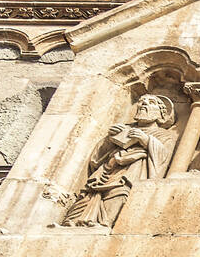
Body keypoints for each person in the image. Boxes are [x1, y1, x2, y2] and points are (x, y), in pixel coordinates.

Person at [61, 94, 176, 227]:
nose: (144, 104)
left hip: (132, 172)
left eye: (151, 102)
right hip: (106, 170)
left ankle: (104, 224)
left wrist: (146, 140)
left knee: (118, 194)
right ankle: (73, 222)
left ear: (162, 115)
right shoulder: (125, 128)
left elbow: (163, 159)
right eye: (141, 101)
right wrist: (109, 139)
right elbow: (95, 159)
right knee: (88, 197)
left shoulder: (164, 135)